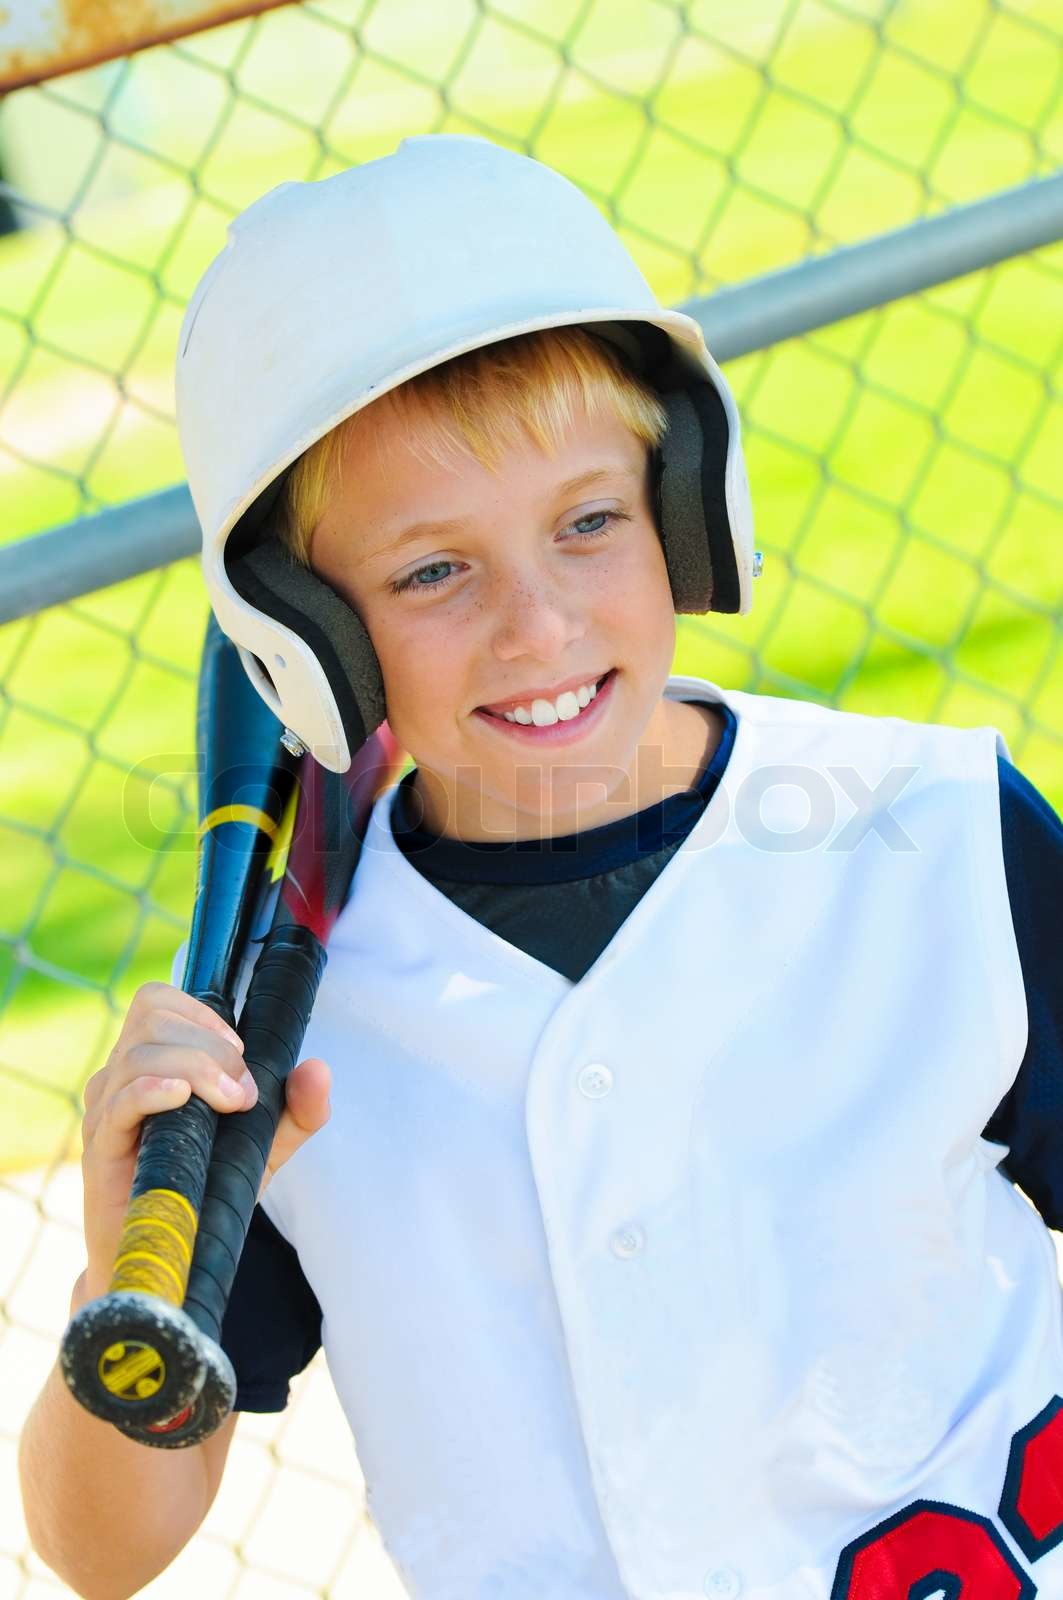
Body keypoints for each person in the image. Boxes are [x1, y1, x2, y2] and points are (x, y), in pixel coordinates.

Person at [19, 134, 1063, 1599]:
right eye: (432, 571)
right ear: (305, 632)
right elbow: (99, 1549)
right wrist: (118, 1264)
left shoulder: (936, 838)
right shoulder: (286, 1040)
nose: (539, 625)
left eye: (589, 523)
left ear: (688, 509)